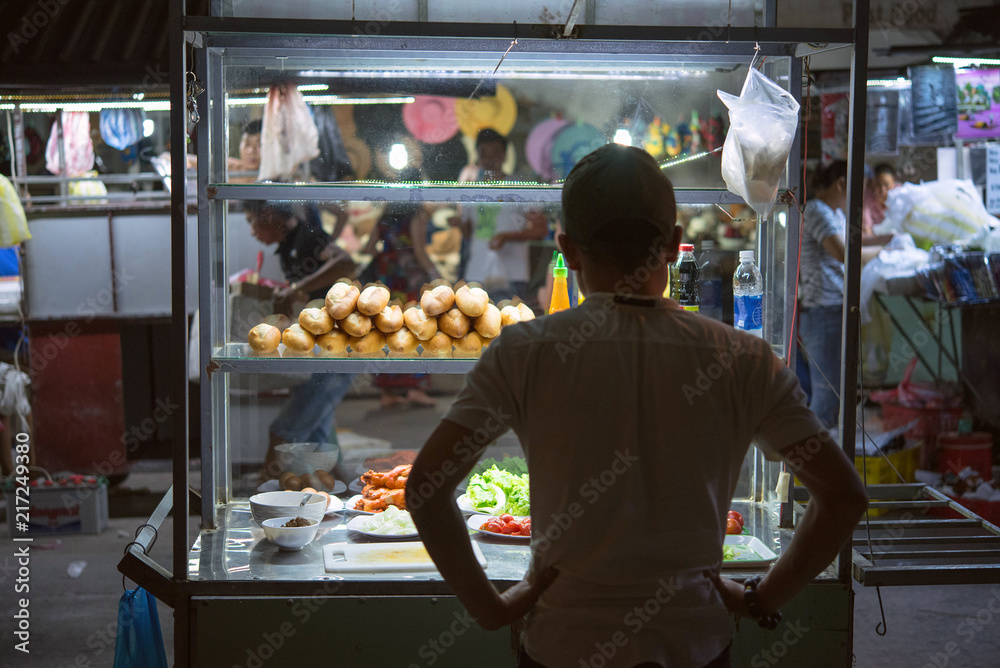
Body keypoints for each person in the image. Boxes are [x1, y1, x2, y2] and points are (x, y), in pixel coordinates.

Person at [408, 145, 867, 668]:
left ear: (568, 250)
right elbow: (843, 497)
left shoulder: (523, 352)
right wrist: (761, 597)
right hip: (694, 643)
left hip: (563, 643)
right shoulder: (742, 358)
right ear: (674, 246)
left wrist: (491, 609)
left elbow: (425, 489)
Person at [244, 199, 356, 479]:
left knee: (285, 431)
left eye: (251, 221)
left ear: (268, 215)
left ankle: (262, 491)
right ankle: (348, 491)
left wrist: (295, 289)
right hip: (321, 348)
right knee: (320, 436)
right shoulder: (286, 247)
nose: (251, 231)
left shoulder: (309, 236)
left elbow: (345, 263)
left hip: (338, 351)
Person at [799, 160, 891, 428]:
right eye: (858, 189)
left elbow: (856, 242)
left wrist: (891, 238)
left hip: (834, 310)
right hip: (823, 314)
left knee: (836, 395)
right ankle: (806, 463)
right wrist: (886, 251)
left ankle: (820, 460)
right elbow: (846, 254)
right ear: (841, 184)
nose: (861, 197)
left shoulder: (834, 212)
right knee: (826, 399)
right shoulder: (817, 211)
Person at [360, 162, 439, 408]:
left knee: (387, 330)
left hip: (386, 279)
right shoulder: (416, 214)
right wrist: (437, 277)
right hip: (408, 281)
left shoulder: (386, 213)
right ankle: (415, 388)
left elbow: (368, 247)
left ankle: (388, 392)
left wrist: (388, 254)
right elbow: (419, 251)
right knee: (416, 329)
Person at [454, 129, 548, 300]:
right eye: (484, 154)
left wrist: (506, 236)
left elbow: (540, 229)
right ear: (478, 156)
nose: (490, 159)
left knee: (510, 324)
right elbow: (469, 234)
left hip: (512, 276)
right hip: (475, 274)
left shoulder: (519, 188)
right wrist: (460, 224)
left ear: (504, 155)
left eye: (495, 153)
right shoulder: (471, 190)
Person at [862, 163, 897, 236]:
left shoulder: (901, 195)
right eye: (878, 185)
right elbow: (867, 230)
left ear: (894, 184)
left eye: (886, 185)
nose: (882, 190)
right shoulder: (868, 199)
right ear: (872, 183)